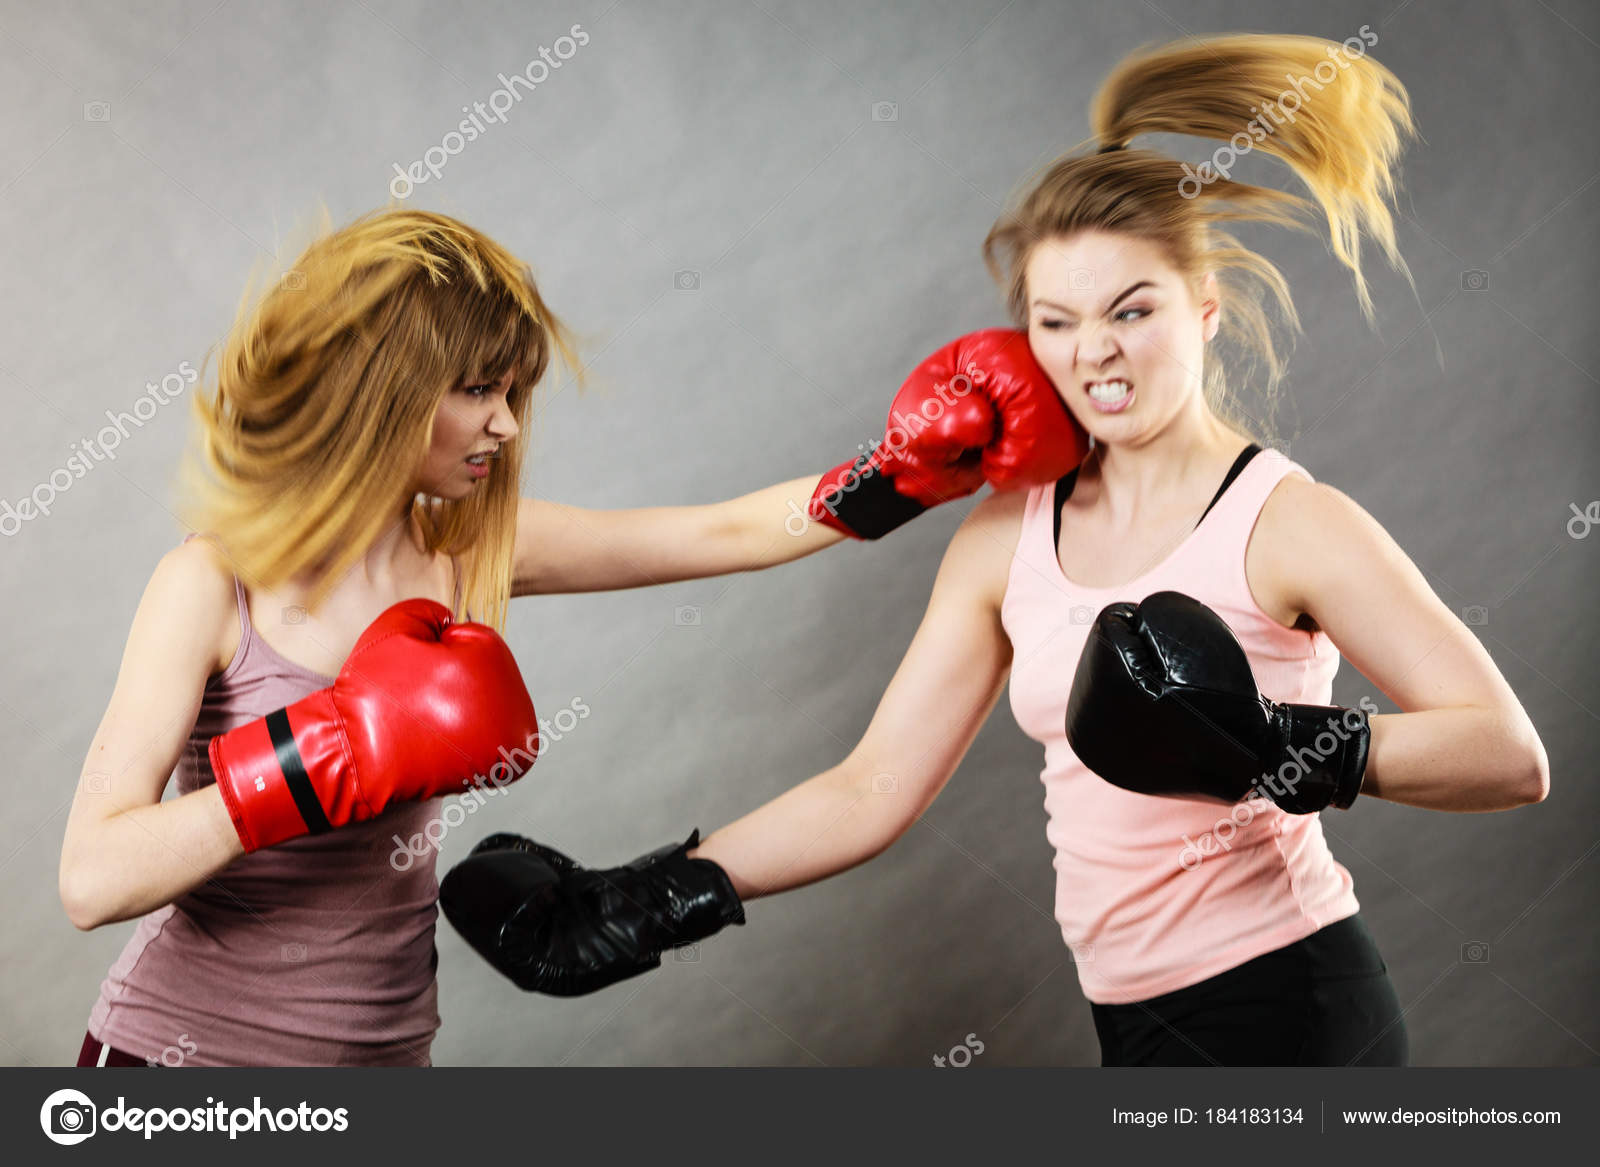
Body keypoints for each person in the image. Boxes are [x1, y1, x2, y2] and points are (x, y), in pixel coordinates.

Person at [440, 32, 1551, 1067]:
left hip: (1293, 1000)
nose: (1094, 355)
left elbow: (1507, 756)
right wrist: (640, 901)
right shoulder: (1006, 532)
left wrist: (1271, 742)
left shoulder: (1284, 520)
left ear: (1204, 309)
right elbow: (872, 786)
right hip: (1127, 1016)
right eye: (1055, 322)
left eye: (1132, 312)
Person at [59, 207, 1085, 1067]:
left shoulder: (469, 554)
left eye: (513, 392)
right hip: (177, 1056)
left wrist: (906, 472)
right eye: (476, 390)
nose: (505, 426)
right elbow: (91, 880)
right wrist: (317, 751)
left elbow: (718, 533)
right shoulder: (212, 582)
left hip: (384, 1057)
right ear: (379, 386)